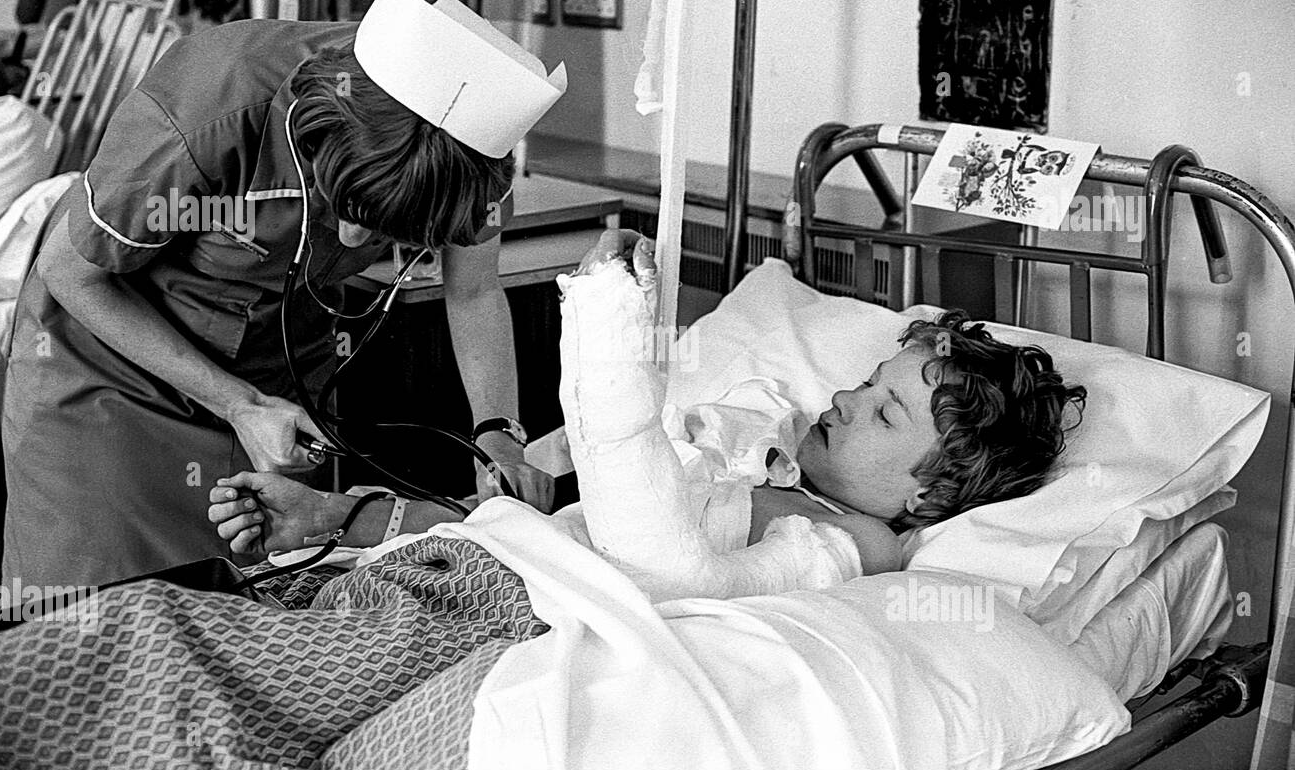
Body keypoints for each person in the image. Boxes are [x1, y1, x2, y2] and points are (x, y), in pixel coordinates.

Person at [1, 0, 563, 587]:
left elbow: (476, 288)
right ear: (316, 138)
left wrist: (500, 434)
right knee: (103, 622)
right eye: (342, 211)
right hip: (111, 371)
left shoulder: (465, 160)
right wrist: (238, 403)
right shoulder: (212, 103)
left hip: (281, 378)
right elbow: (70, 274)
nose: (352, 243)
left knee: (257, 608)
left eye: (384, 236)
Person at [208, 232, 1088, 601]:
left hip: (550, 599)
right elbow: (566, 520)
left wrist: (607, 340)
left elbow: (675, 574)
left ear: (930, 495)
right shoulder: (758, 440)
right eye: (867, 381)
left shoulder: (867, 542)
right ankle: (340, 516)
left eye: (885, 414)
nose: (847, 398)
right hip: (519, 554)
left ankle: (343, 525)